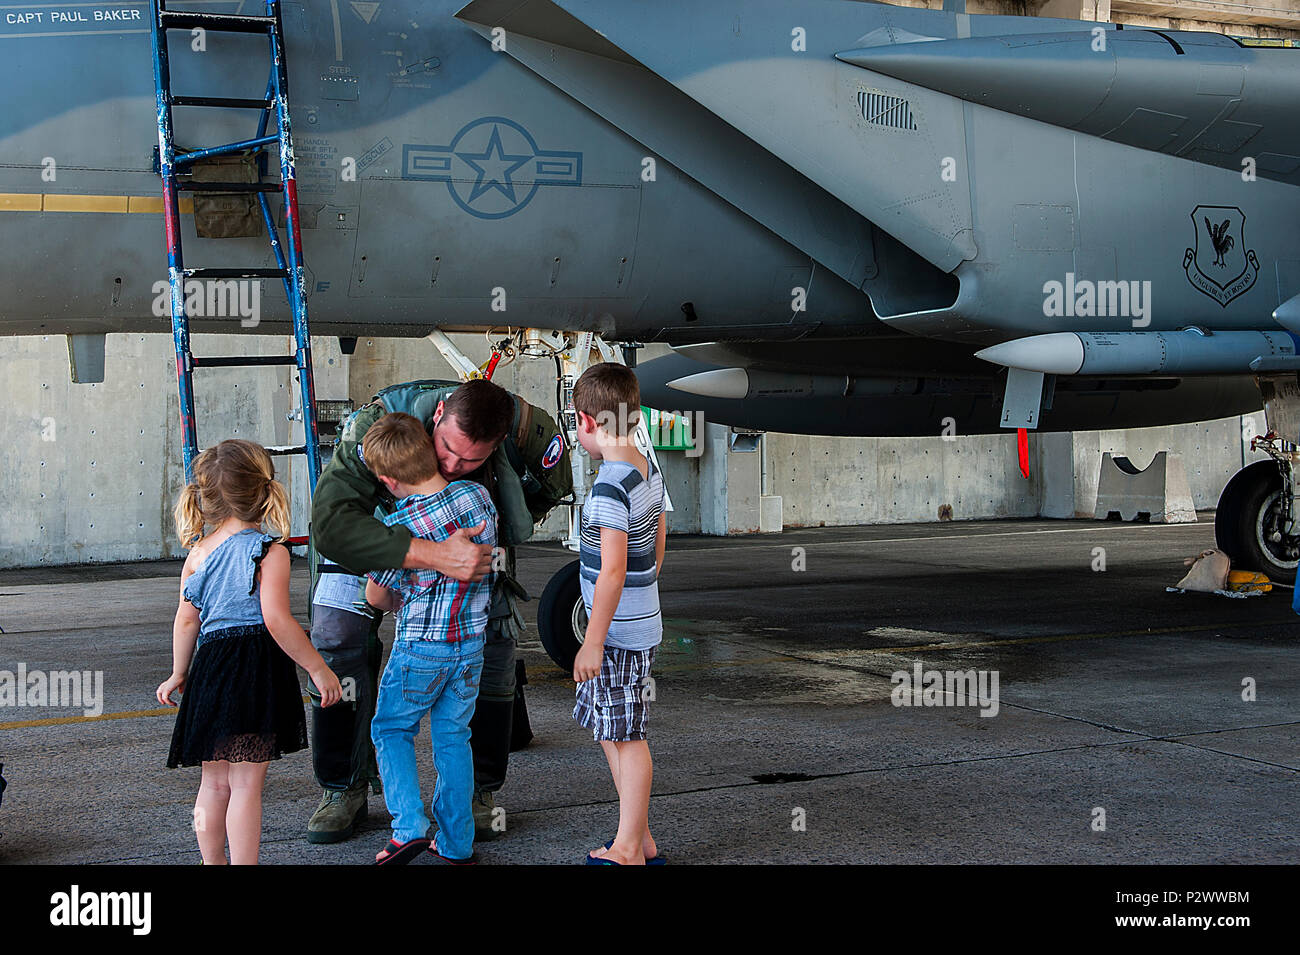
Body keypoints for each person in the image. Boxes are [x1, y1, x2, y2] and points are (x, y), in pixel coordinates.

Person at [308, 377, 571, 843]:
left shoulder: (526, 427)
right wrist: (429, 556)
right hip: (371, 538)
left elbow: (552, 485)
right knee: (336, 636)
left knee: (496, 652)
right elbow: (331, 525)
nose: (452, 464)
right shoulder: (378, 425)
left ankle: (479, 793)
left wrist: (493, 534)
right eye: (446, 449)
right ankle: (343, 786)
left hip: (464, 545)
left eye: (472, 459)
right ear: (438, 414)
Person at [157, 439, 343, 865]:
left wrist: (178, 672)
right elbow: (276, 620)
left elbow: (187, 620)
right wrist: (317, 668)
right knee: (245, 786)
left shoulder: (197, 554)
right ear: (264, 491)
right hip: (252, 668)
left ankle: (212, 863)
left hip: (210, 666)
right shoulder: (269, 552)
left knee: (213, 782)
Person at [359, 413, 498, 864]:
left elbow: (377, 596)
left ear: (387, 480)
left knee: (391, 729)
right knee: (454, 737)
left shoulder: (399, 528)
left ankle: (408, 827)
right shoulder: (478, 497)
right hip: (471, 646)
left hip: (420, 646)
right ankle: (457, 842)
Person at [569, 364, 669, 866]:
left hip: (617, 635)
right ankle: (640, 837)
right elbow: (659, 534)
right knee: (612, 727)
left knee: (627, 735)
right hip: (638, 621)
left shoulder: (609, 484)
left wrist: (592, 639)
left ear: (586, 421)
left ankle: (629, 847)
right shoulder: (646, 466)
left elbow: (610, 572)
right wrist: (646, 587)